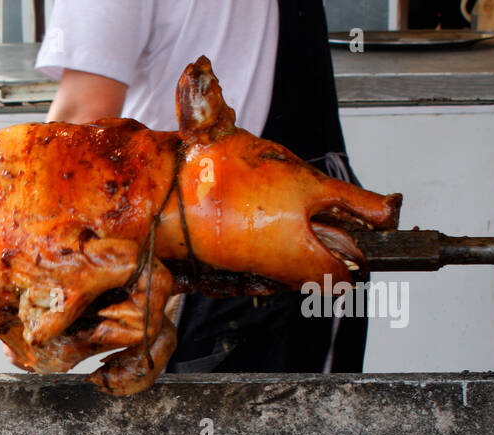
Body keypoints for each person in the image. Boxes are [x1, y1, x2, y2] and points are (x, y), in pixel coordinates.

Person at [36, 0, 366, 373]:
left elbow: (79, 132)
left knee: (196, 425)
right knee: (298, 425)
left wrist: (32, 290)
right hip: (306, 218)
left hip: (219, 235)